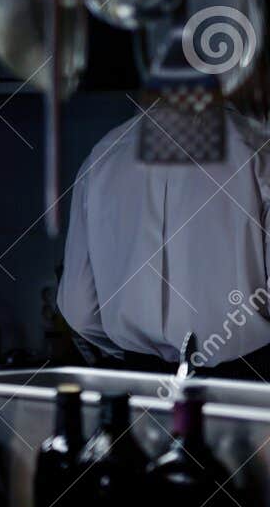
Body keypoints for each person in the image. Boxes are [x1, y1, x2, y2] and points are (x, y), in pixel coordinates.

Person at [57, 104, 270, 375]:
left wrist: (137, 350)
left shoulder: (104, 154)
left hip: (140, 381)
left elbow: (78, 309)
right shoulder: (258, 148)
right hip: (247, 381)